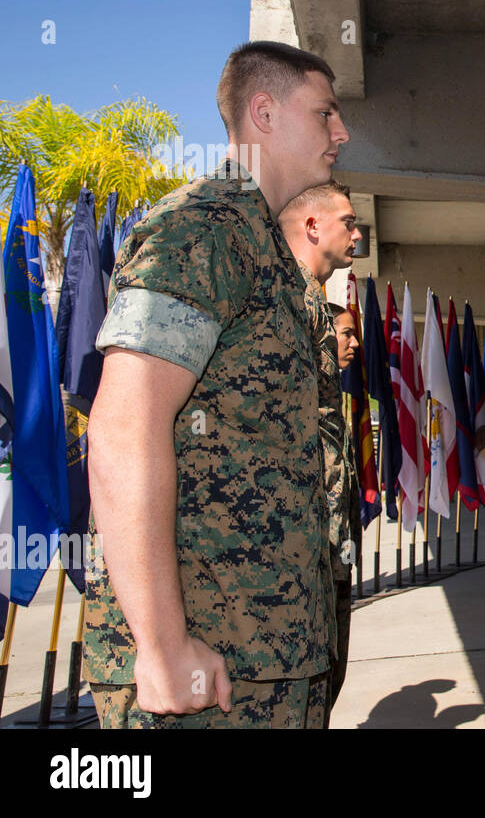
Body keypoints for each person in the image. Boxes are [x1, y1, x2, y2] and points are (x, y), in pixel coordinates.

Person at [83, 41, 351, 728]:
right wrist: (164, 646)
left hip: (270, 655)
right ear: (263, 113)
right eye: (325, 114)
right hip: (208, 664)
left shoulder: (263, 248)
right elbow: (123, 426)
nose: (341, 133)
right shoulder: (204, 230)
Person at [278, 181, 364, 716]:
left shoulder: (306, 299)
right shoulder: (286, 301)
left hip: (325, 552)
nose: (357, 235)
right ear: (313, 227)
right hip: (296, 559)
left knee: (325, 688)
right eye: (348, 223)